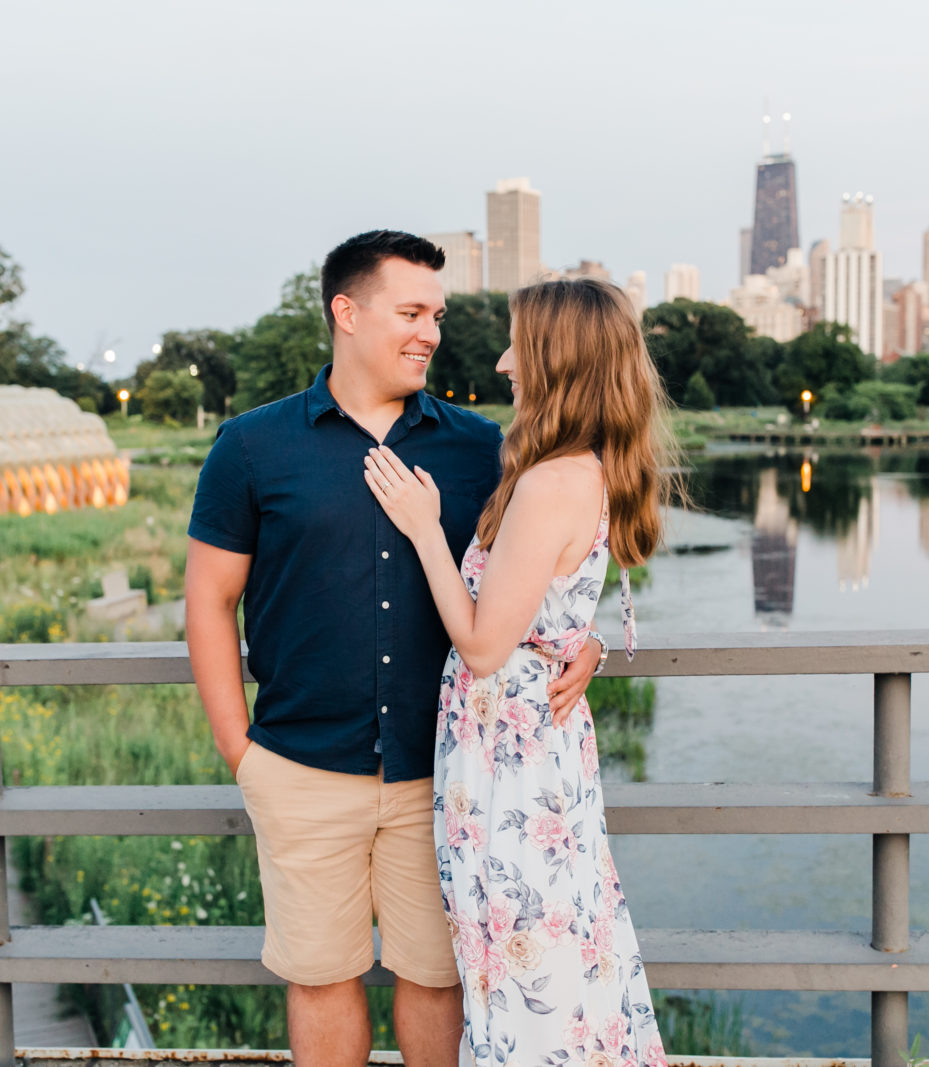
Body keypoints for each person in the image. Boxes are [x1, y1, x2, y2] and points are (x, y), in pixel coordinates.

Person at [184, 230, 602, 1067]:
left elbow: (555, 557)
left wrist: (583, 637)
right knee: (319, 977)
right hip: (300, 766)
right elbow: (208, 599)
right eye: (411, 312)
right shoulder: (252, 446)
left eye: (437, 314)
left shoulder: (483, 448)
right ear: (347, 312)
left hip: (444, 774)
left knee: (439, 977)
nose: (431, 332)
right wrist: (242, 752)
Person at [363, 277, 671, 1067]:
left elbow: (481, 643)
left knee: (519, 953)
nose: (502, 362)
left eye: (516, 345)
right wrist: (583, 639)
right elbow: (551, 604)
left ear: (554, 359)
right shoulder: (583, 469)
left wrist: (425, 529)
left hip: (511, 761)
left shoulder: (548, 482)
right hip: (534, 745)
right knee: (559, 944)